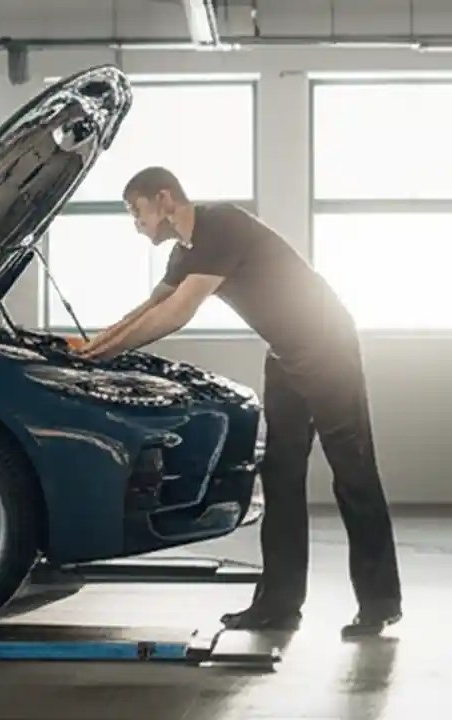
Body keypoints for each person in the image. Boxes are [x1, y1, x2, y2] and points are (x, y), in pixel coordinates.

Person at [76, 166, 403, 638]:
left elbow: (177, 314)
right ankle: (279, 604)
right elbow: (149, 307)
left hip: (329, 344)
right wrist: (89, 347)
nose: (137, 225)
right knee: (280, 473)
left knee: (351, 469)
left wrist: (104, 353)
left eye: (137, 212)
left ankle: (379, 602)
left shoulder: (219, 225)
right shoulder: (184, 254)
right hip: (286, 353)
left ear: (164, 200)